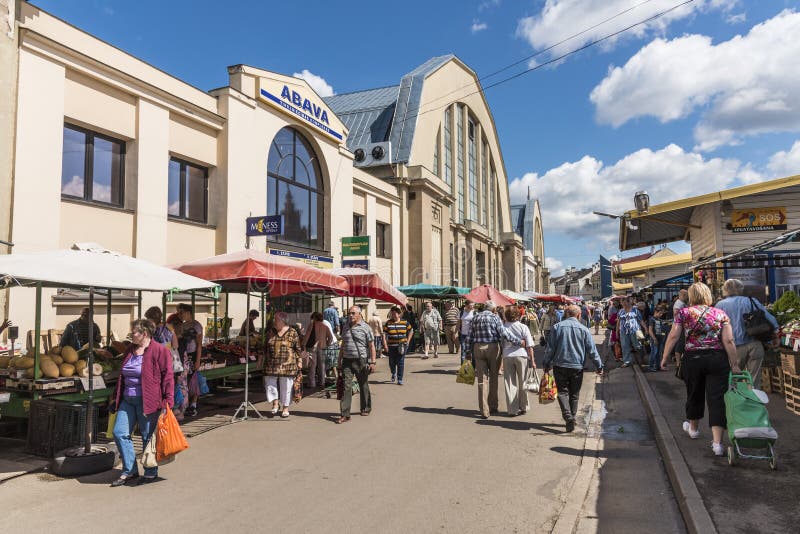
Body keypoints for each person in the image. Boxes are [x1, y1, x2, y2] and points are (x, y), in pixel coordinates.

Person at [661, 282, 740, 457]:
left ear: (691, 296)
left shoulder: (684, 313)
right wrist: (734, 364)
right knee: (717, 399)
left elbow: (674, 335)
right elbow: (728, 341)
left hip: (693, 359)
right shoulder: (720, 313)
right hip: (717, 359)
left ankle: (694, 429)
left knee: (694, 393)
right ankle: (718, 444)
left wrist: (665, 356)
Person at [110, 318, 173, 487]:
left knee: (146, 436)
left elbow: (168, 377)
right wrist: (115, 396)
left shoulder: (160, 351)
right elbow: (122, 377)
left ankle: (150, 472)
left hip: (149, 400)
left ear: (144, 333)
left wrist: (168, 402)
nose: (131, 334)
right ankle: (130, 470)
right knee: (119, 432)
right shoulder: (130, 350)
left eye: (134, 332)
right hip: (127, 399)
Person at [543, 305, 603, 432]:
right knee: (574, 394)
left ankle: (568, 416)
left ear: (566, 314)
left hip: (560, 365)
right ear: (579, 315)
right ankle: (572, 417)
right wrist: (599, 365)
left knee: (562, 392)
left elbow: (550, 349)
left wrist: (546, 363)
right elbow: (592, 350)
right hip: (577, 366)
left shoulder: (557, 327)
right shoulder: (584, 329)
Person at [466, 301, 527, 419]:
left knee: (482, 380)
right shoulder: (495, 317)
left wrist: (467, 352)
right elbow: (504, 333)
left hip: (478, 347)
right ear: (493, 309)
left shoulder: (475, 317)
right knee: (493, 377)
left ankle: (484, 410)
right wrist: (519, 342)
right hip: (493, 348)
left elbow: (469, 336)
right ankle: (493, 406)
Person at [715, 279, 779, 389]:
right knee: (754, 381)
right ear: (740, 289)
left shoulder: (720, 305)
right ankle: (752, 402)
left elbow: (715, 327)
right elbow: (770, 318)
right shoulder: (750, 301)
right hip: (755, 344)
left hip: (733, 349)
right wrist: (776, 334)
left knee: (733, 379)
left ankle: (735, 403)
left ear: (725, 290)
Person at [337, 306, 376, 423]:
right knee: (346, 386)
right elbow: (343, 344)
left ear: (359, 314)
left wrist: (373, 362)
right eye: (350, 313)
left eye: (353, 313)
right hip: (347, 361)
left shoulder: (366, 327)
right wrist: (339, 360)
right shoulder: (345, 327)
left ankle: (365, 407)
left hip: (361, 360)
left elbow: (371, 345)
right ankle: (345, 414)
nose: (351, 315)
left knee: (363, 384)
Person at [264, 312, 303, 418]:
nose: (274, 322)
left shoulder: (292, 332)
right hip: (271, 364)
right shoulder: (270, 332)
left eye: (276, 320)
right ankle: (275, 403)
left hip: (288, 365)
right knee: (270, 384)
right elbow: (264, 347)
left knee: (286, 386)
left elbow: (298, 348)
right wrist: (260, 360)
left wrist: (300, 361)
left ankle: (285, 408)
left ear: (282, 321)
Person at [501, 306, 535, 416]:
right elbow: (529, 345)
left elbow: (500, 344)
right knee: (523, 382)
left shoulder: (503, 327)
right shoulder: (523, 327)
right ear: (518, 315)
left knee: (510, 383)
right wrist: (532, 361)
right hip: (521, 355)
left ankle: (512, 409)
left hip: (507, 355)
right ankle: (524, 406)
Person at [177, 303, 203, 417]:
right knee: (185, 381)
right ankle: (186, 404)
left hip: (193, 354)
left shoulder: (196, 325)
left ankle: (193, 405)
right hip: (184, 355)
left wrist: (198, 360)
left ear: (188, 313)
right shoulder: (182, 326)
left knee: (193, 380)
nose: (179, 314)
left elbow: (199, 344)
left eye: (181, 312)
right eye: (178, 312)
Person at [302, 312, 335, 389]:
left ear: (315, 318)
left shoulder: (312, 325)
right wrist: (326, 344)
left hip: (312, 347)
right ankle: (322, 382)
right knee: (321, 366)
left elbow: (307, 336)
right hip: (322, 347)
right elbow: (330, 337)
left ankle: (312, 383)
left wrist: (303, 344)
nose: (312, 319)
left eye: (312, 318)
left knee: (312, 366)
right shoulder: (325, 326)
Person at [382, 306, 413, 384]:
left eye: (395, 313)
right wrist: (385, 345)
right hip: (391, 346)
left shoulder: (405, 322)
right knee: (391, 362)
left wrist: (408, 341)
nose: (393, 315)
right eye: (392, 313)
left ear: (399, 314)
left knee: (400, 362)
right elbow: (384, 334)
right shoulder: (388, 323)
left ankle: (400, 378)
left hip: (402, 346)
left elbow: (411, 330)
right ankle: (393, 373)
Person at [616, 297, 646, 368]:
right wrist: (617, 332)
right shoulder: (621, 311)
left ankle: (642, 356)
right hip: (623, 331)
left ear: (629, 302)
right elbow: (618, 322)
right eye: (622, 303)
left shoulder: (635, 310)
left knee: (638, 345)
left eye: (625, 303)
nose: (624, 304)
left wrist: (646, 328)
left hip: (636, 330)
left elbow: (641, 320)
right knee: (624, 346)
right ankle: (627, 361)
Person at [647, 306, 668, 372]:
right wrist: (654, 338)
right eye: (660, 313)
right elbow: (650, 330)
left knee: (659, 353)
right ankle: (651, 366)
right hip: (654, 339)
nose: (661, 315)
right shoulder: (651, 319)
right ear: (656, 312)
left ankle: (658, 366)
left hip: (660, 338)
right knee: (654, 352)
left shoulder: (659, 319)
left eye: (662, 313)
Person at [672, 289, 689, 364]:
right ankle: (678, 364)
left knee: (681, 344)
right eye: (687, 295)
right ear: (683, 295)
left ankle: (680, 362)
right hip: (680, 327)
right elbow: (675, 313)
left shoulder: (682, 303)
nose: (688, 297)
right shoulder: (679, 303)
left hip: (681, 326)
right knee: (680, 344)